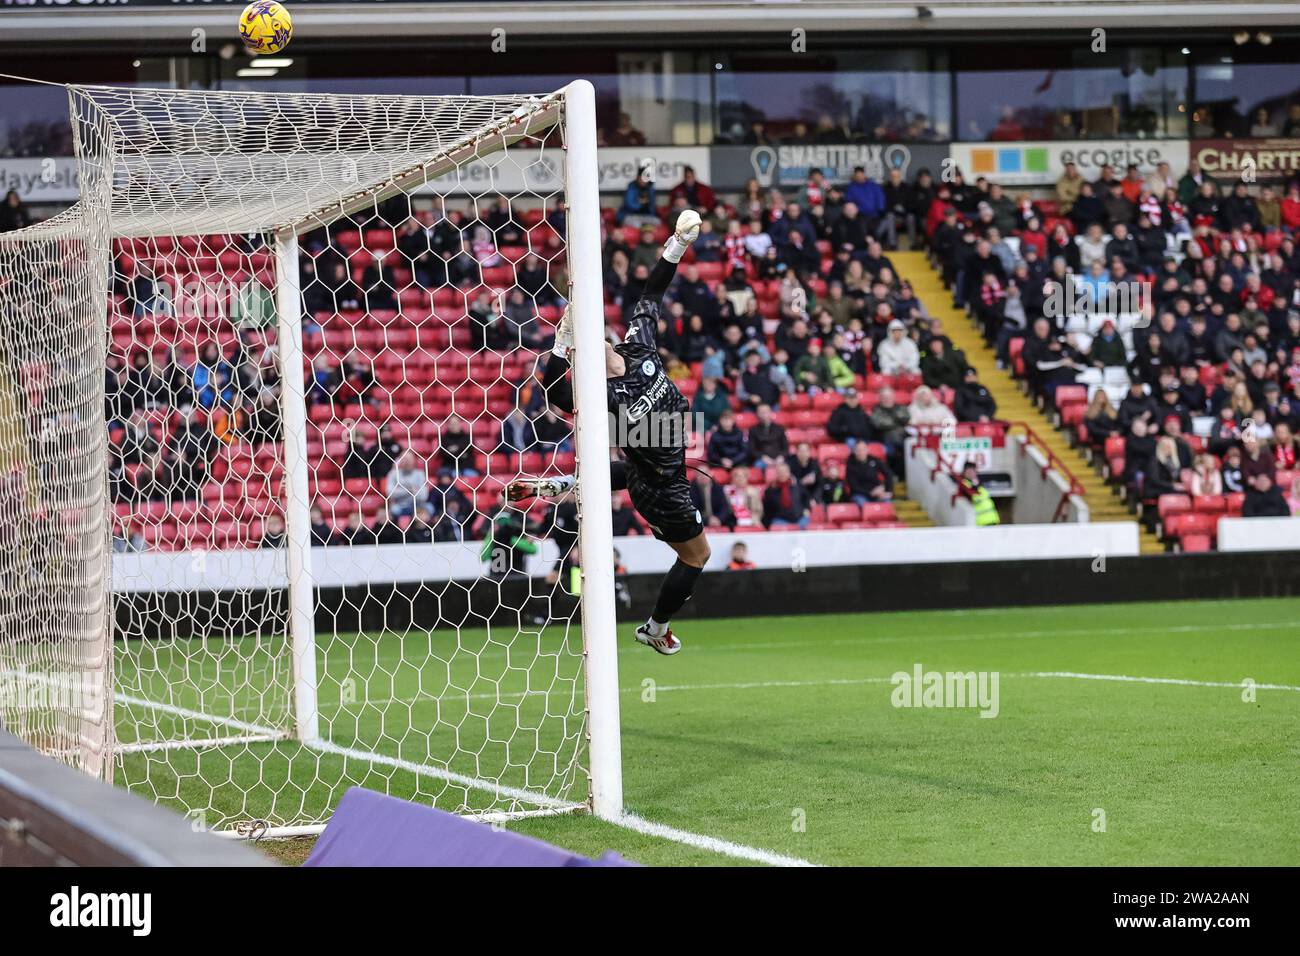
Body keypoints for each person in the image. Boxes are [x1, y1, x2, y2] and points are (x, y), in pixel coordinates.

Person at [507, 210, 709, 655]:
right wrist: (560, 345)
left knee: (628, 466)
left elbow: (651, 293)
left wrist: (677, 243)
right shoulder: (605, 397)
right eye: (584, 344)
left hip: (648, 463)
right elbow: (557, 396)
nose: (594, 339)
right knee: (698, 556)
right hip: (663, 486)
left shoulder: (639, 345)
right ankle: (656, 628)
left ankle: (565, 483)